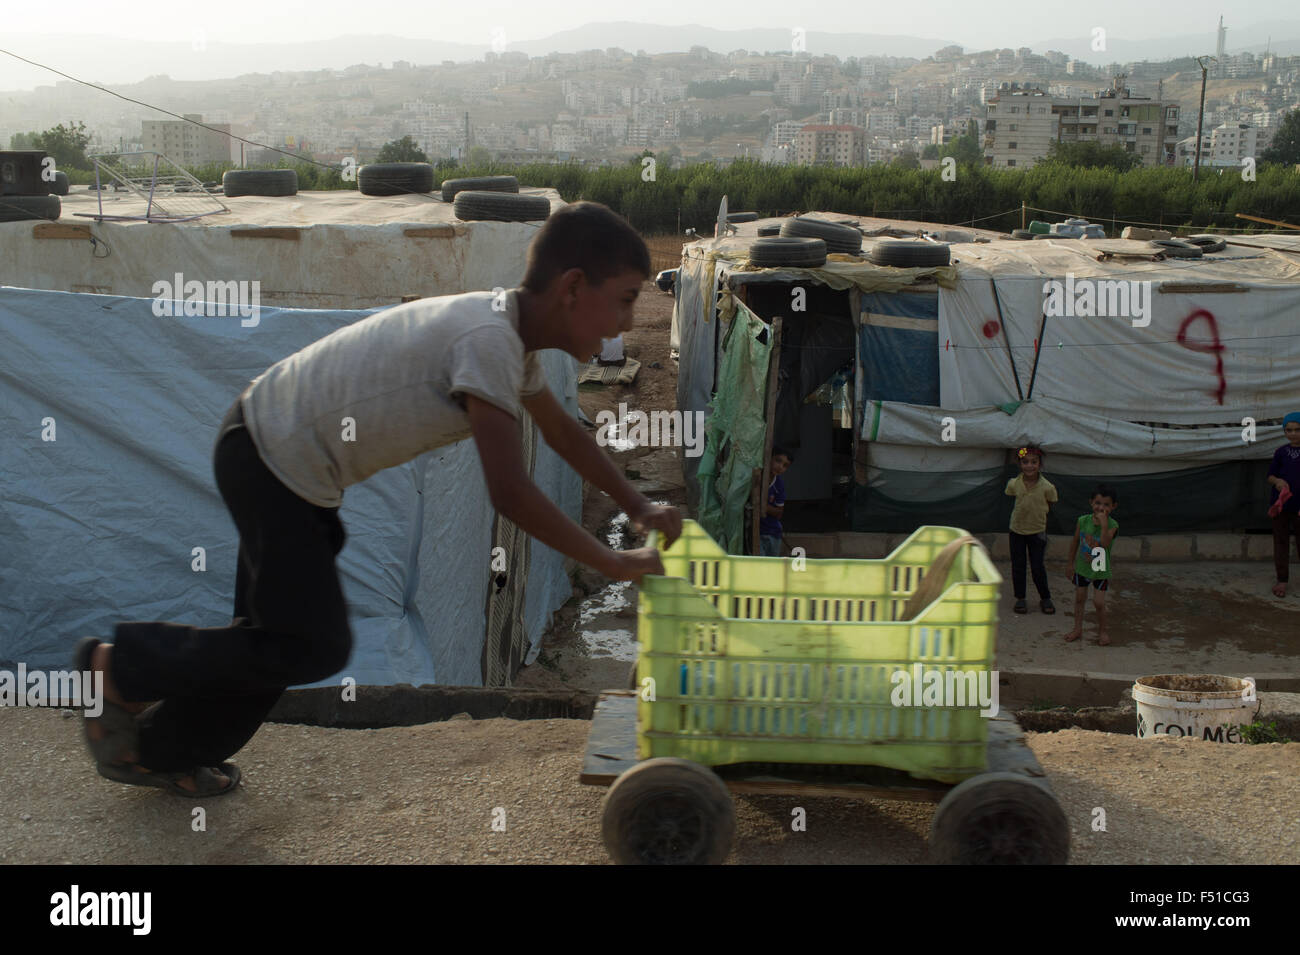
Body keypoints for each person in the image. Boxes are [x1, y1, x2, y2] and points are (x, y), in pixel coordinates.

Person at [78, 201, 682, 796]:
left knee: (275, 642)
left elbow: (561, 433)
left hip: (284, 460)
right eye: (626, 298)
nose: (629, 321)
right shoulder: (488, 341)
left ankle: (157, 752)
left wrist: (637, 506)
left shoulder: (508, 341)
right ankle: (121, 666)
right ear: (574, 287)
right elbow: (511, 492)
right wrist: (611, 562)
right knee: (310, 644)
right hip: (267, 454)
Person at [1064, 485, 1119, 646]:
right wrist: (1069, 564)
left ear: (1113, 506)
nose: (1101, 508)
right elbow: (1075, 542)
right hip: (1082, 567)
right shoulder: (1082, 521)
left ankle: (1103, 631)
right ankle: (1077, 629)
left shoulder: (1113, 525)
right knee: (1080, 598)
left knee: (1099, 602)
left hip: (1100, 569)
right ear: (1091, 503)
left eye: (1106, 505)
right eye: (1098, 503)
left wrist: (1103, 525)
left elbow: (1104, 543)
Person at [1004, 446, 1056, 614]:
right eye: (1025, 462)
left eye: (1034, 462)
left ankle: (1045, 598)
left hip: (1037, 532)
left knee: (1037, 566)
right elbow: (1011, 496)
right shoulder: (1013, 484)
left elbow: (1051, 502)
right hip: (1017, 531)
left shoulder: (1047, 487)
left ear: (1039, 464)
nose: (1029, 466)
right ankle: (1020, 599)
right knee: (1018, 566)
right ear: (1019, 464)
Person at [1268, 412, 1300, 597]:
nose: (1293, 433)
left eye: (1297, 430)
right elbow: (1270, 475)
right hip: (1280, 507)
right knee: (1280, 543)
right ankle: (1282, 580)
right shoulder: (1281, 452)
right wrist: (1278, 481)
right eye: (1289, 430)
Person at [759, 447, 793, 557]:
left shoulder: (779, 485)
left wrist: (764, 506)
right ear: (770, 458)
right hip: (755, 531)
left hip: (772, 532)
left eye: (785, 466)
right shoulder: (756, 477)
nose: (780, 467)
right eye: (778, 461)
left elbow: (779, 513)